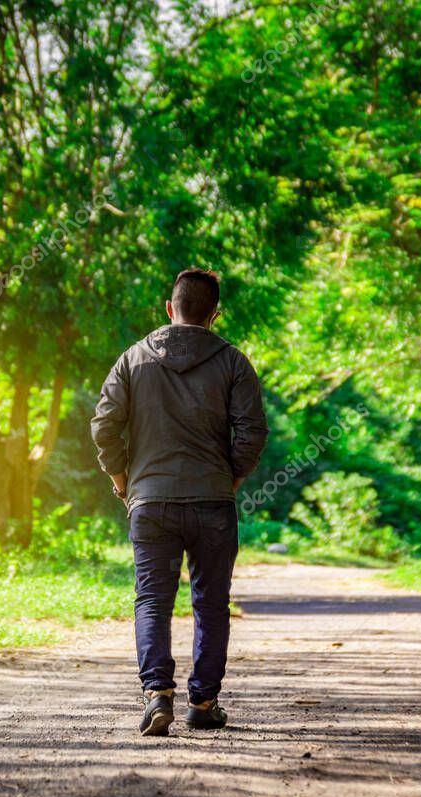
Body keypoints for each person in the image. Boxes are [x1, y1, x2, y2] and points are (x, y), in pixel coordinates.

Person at [91, 268, 268, 736]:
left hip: (149, 502)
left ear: (170, 309)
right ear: (214, 315)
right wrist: (229, 480)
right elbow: (252, 432)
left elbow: (104, 424)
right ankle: (204, 702)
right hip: (212, 502)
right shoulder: (233, 362)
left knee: (152, 598)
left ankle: (157, 696)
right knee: (211, 604)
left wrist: (122, 480)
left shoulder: (132, 359)